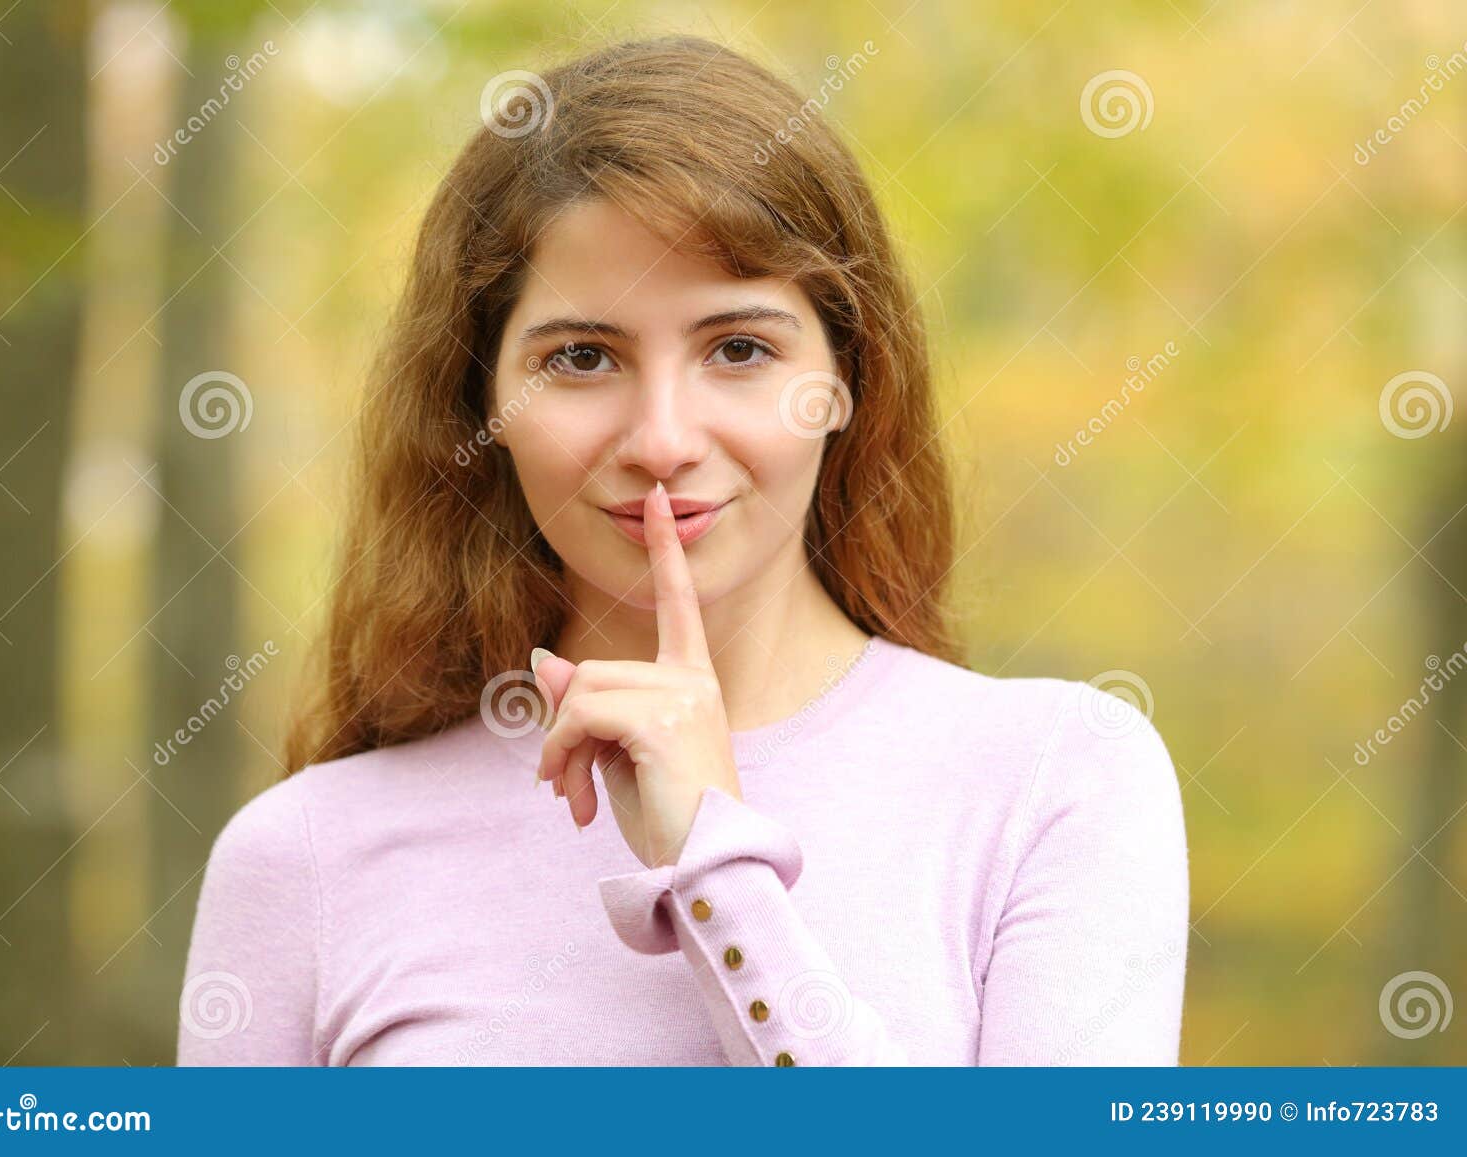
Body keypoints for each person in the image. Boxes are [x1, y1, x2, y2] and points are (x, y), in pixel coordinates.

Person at [177, 34, 1189, 1066]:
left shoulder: (1057, 783)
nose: (661, 438)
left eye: (739, 349)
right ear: (483, 398)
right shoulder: (302, 857)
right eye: (580, 357)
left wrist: (719, 874)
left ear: (845, 377)